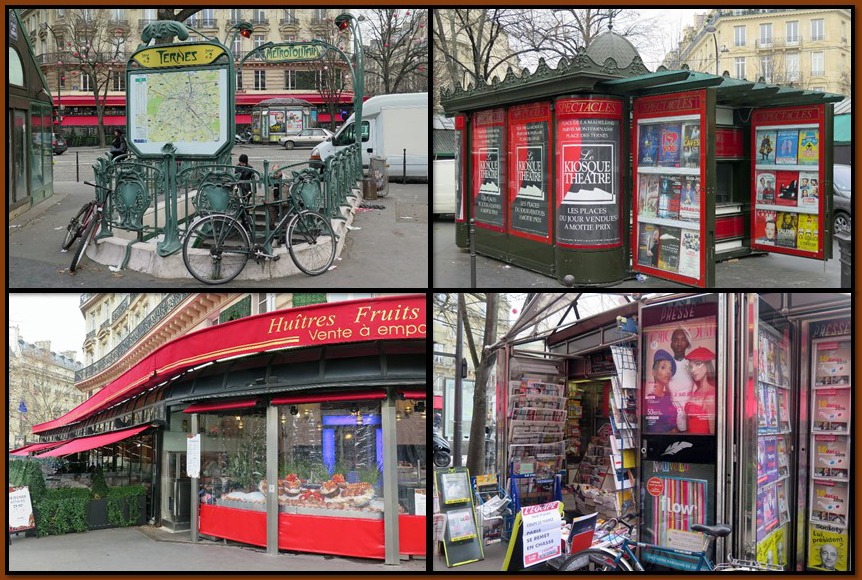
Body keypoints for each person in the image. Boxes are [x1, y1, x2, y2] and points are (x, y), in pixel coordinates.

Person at [684, 346, 716, 434]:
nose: (693, 370)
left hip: (701, 444)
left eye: (698, 363)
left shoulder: (711, 395)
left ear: (707, 365)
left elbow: (712, 434)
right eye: (691, 366)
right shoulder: (697, 391)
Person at [645, 349, 678, 434]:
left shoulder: (668, 396)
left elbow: (673, 427)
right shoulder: (648, 400)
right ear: (654, 372)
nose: (668, 372)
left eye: (670, 369)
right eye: (663, 367)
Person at [668, 328, 694, 432]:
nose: (679, 344)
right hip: (672, 421)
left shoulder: (692, 365)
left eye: (683, 340)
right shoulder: (666, 366)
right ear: (671, 344)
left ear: (687, 343)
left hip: (691, 418)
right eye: (675, 340)